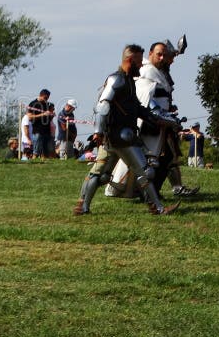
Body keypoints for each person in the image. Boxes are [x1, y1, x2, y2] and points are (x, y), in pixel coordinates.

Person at [73, 45, 181, 216]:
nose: (141, 65)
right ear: (130, 60)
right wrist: (98, 132)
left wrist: (162, 119)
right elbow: (102, 105)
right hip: (122, 138)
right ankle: (158, 208)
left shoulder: (129, 81)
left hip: (115, 138)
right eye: (139, 62)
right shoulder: (117, 79)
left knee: (101, 175)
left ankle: (83, 206)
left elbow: (138, 109)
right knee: (145, 172)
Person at [27, 89, 54, 159]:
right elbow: (30, 117)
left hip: (47, 131)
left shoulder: (47, 105)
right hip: (37, 131)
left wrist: (51, 115)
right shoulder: (33, 104)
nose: (46, 99)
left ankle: (44, 164)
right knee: (36, 152)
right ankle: (33, 162)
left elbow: (49, 119)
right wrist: (43, 114)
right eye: (45, 97)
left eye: (48, 98)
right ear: (41, 95)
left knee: (45, 153)